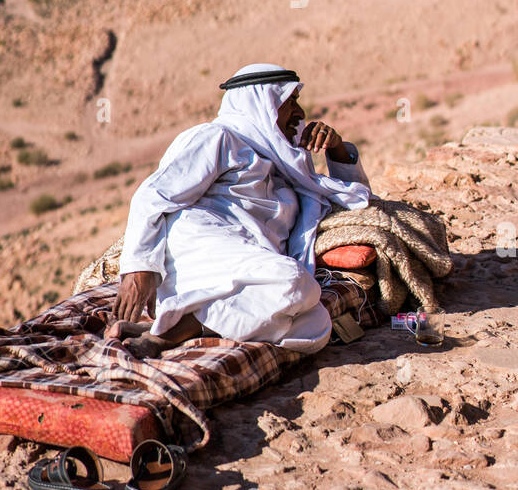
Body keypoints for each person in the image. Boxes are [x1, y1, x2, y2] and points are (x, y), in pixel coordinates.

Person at [109, 63, 371, 357]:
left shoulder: (284, 156)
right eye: (290, 102)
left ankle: (183, 323)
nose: (300, 113)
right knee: (295, 283)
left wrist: (335, 147)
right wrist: (140, 269)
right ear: (263, 104)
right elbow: (152, 195)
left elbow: (354, 201)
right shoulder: (217, 138)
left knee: (315, 326)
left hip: (252, 261)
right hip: (202, 248)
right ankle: (166, 337)